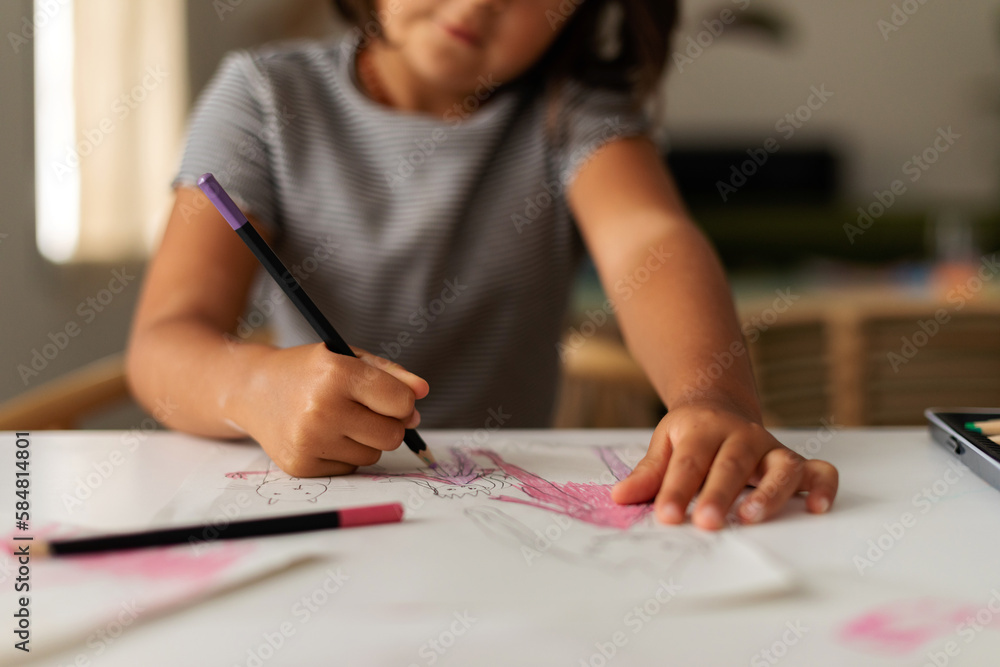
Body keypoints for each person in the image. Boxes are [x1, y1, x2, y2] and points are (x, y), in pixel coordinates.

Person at [126, 0, 838, 531]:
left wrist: (715, 398)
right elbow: (164, 341)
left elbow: (649, 243)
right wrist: (253, 387)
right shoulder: (261, 97)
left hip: (513, 524)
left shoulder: (572, 108)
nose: (473, 5)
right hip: (325, 505)